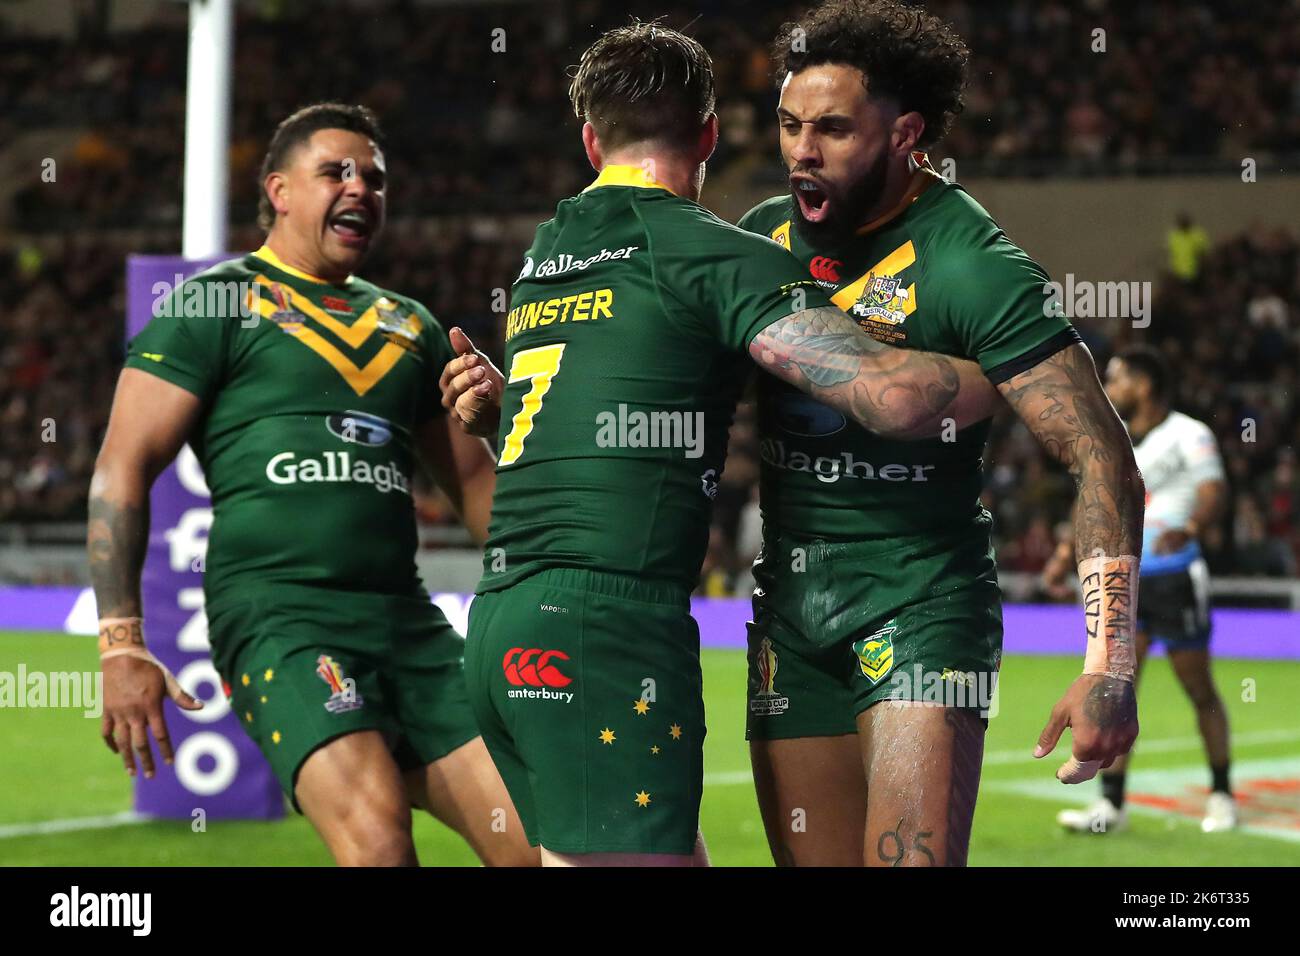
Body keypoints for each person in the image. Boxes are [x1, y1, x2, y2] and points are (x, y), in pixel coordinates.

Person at [440, 20, 1001, 867]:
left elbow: (589, 395)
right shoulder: (718, 256)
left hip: (502, 620)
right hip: (603, 625)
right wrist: (1019, 364)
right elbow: (889, 399)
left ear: (590, 140)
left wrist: (491, 412)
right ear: (709, 133)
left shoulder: (549, 251)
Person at [735, 0, 1145, 866]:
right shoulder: (759, 238)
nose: (802, 151)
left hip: (924, 602)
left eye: (834, 129)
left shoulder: (971, 264)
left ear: (905, 132)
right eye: (788, 124)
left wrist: (1110, 665)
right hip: (791, 613)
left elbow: (1100, 451)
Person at [90, 103, 536, 866]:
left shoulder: (414, 326)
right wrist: (120, 644)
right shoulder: (214, 302)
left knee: (537, 847)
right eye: (336, 171)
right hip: (282, 617)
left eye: (376, 178)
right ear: (280, 191)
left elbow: (476, 491)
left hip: (410, 625)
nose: (361, 187)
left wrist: (498, 426)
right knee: (378, 843)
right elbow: (121, 467)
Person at [1050, 345, 1234, 833]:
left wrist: (1193, 525)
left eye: (1117, 379)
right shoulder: (1114, 440)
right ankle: (1111, 807)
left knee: (1199, 689)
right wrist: (1060, 557)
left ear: (1145, 385)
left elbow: (1214, 489)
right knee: (1115, 693)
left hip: (1175, 576)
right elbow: (1094, 505)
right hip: (1123, 582)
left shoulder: (1189, 434)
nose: (1109, 390)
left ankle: (1221, 795)